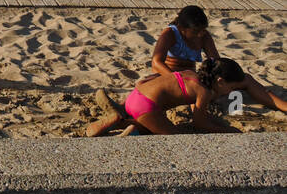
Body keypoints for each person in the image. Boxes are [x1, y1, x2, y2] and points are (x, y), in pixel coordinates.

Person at [86, 58, 287, 137]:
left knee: (154, 123)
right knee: (174, 137)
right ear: (220, 81)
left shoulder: (190, 73)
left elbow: (155, 79)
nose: (230, 93)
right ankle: (129, 129)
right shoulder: (205, 92)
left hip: (136, 95)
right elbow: (198, 122)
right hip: (147, 107)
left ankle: (119, 116)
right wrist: (227, 130)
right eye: (231, 88)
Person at [152, 5, 219, 76]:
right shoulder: (170, 34)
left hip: (189, 77)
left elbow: (215, 61)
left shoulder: (204, 35)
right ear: (181, 28)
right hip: (168, 75)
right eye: (195, 31)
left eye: (203, 30)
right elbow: (156, 62)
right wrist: (177, 78)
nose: (200, 34)